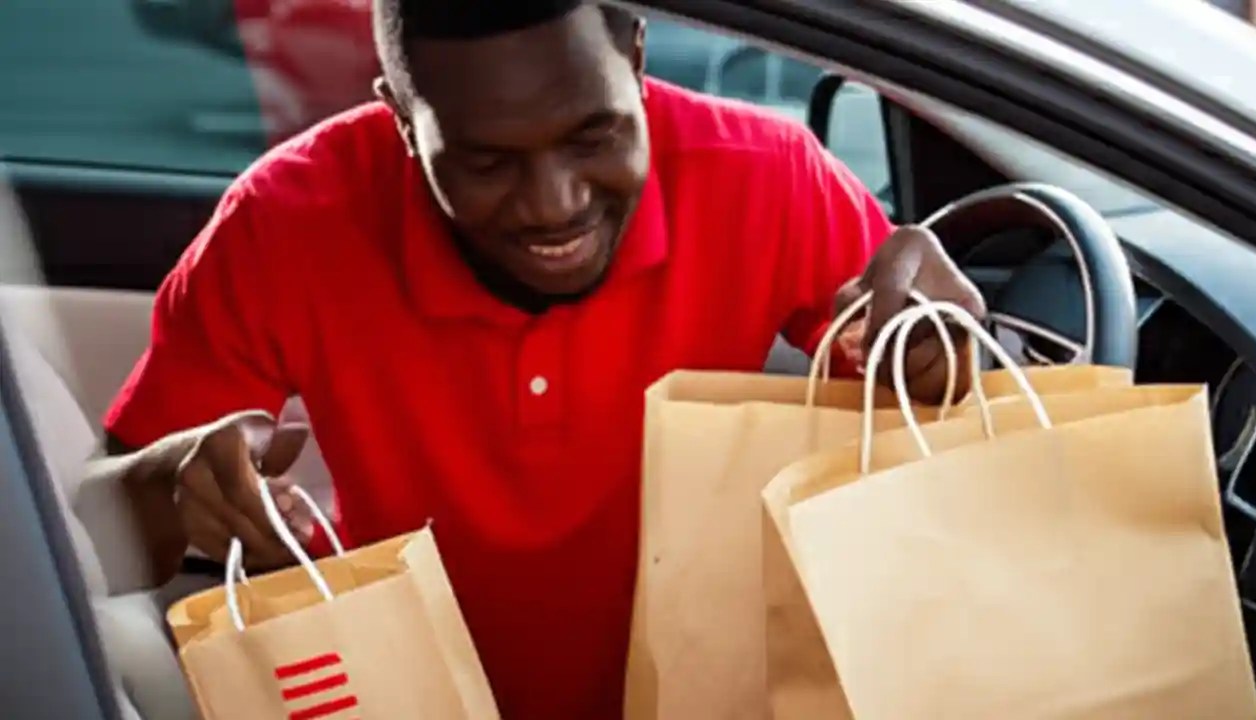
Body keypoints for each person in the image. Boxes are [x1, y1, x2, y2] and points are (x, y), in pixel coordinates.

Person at [103, 1, 984, 717]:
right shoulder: (285, 221)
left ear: (637, 60)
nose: (552, 204)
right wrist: (173, 486)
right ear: (402, 120)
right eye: (486, 162)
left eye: (594, 136)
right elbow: (92, 541)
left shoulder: (767, 175)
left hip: (708, 693)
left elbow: (953, 422)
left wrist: (958, 352)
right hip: (401, 695)